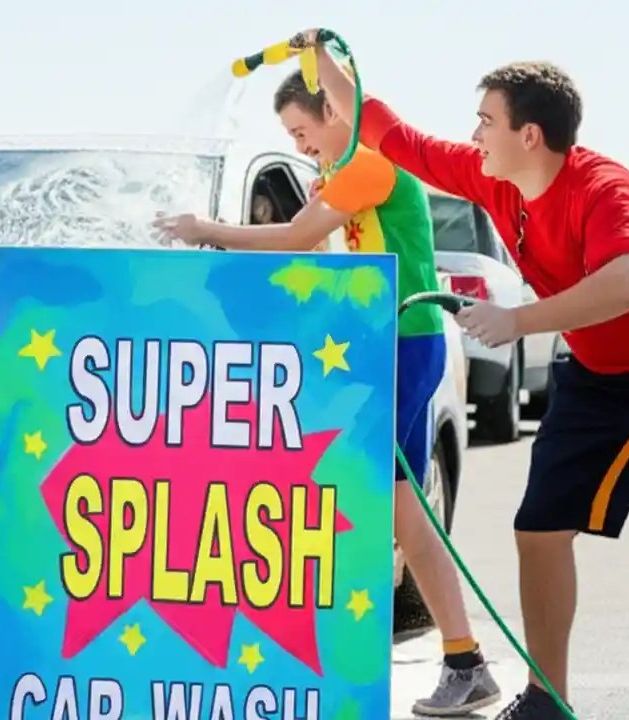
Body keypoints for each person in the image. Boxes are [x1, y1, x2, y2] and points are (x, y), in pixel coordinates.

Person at [298, 29, 629, 720]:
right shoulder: (494, 179)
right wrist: (323, 61)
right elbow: (393, 134)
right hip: (600, 376)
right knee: (539, 528)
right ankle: (547, 700)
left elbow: (628, 283)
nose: (474, 133)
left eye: (486, 120)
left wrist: (519, 321)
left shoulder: (602, 190)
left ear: (531, 135)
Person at [153, 68, 501, 718]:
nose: (301, 144)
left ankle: (409, 663)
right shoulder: (346, 172)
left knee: (378, 507)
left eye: (303, 131)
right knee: (396, 510)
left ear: (337, 114)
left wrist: (208, 230)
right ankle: (459, 660)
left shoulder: (370, 164)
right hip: (386, 341)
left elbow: (294, 239)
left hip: (402, 341)